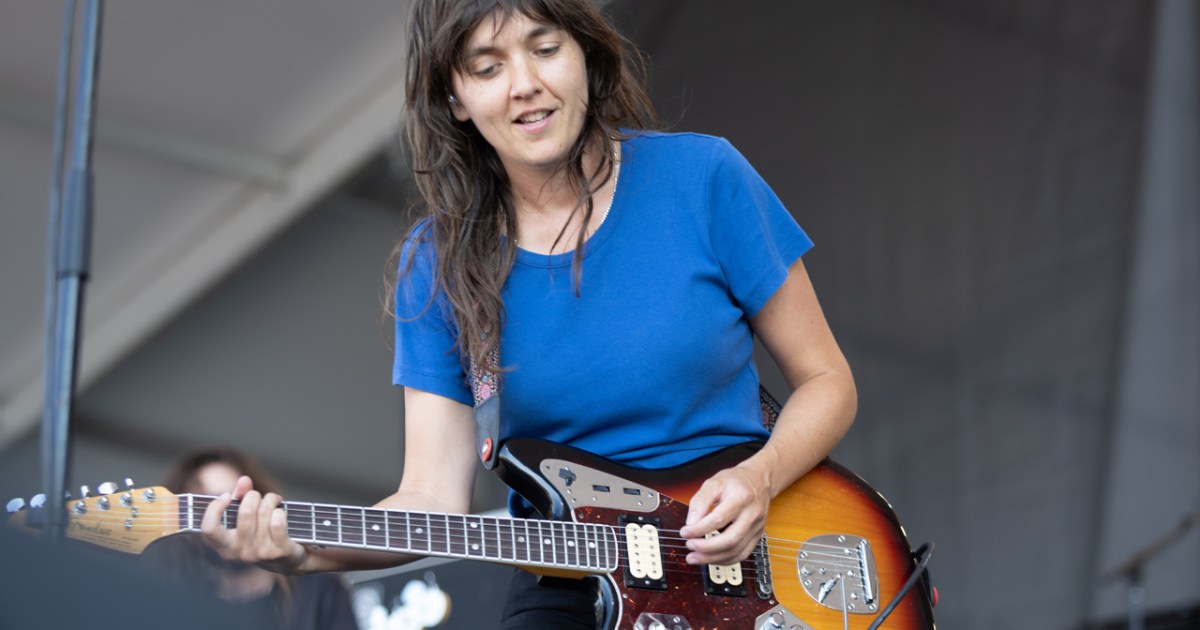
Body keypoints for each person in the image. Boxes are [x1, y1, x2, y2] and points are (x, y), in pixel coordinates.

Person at [200, 0, 857, 628]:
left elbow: (828, 381)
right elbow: (431, 498)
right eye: (487, 68)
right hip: (572, 580)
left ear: (586, 58)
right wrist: (300, 552)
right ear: (455, 97)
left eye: (545, 49)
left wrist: (758, 478)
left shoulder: (703, 176)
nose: (524, 84)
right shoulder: (436, 264)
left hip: (744, 553)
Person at [162, 448, 360, 630]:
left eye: (236, 501)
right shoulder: (175, 606)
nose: (225, 515)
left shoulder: (319, 589)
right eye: (206, 506)